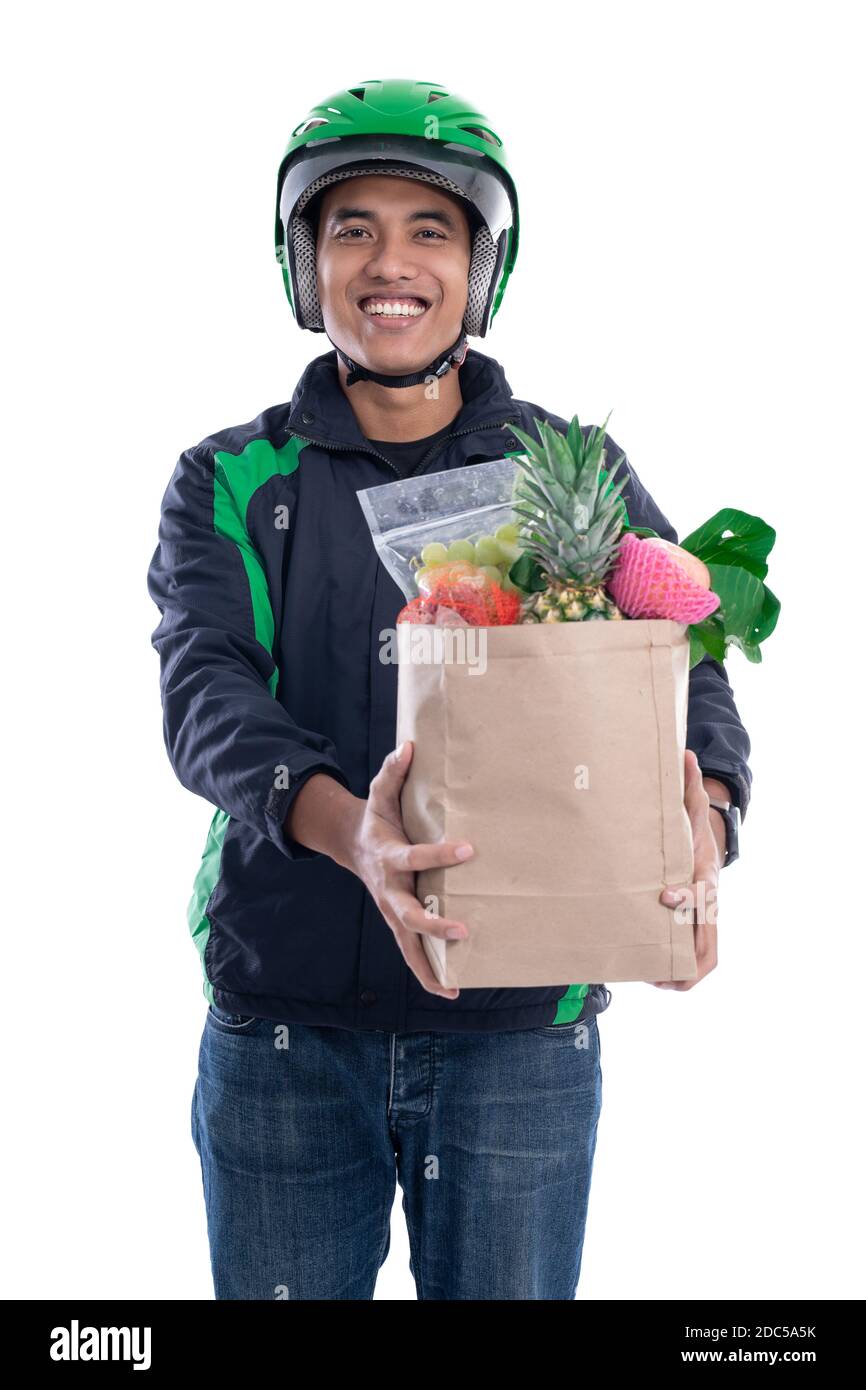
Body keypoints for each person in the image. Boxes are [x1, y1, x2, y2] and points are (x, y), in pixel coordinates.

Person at [147, 78, 751, 1300]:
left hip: (519, 1028)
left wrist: (707, 824)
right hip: (283, 1020)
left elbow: (683, 673)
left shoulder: (563, 467)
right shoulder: (230, 475)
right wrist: (355, 839)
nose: (390, 263)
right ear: (302, 261)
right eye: (350, 227)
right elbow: (207, 696)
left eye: (431, 229)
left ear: (481, 265)